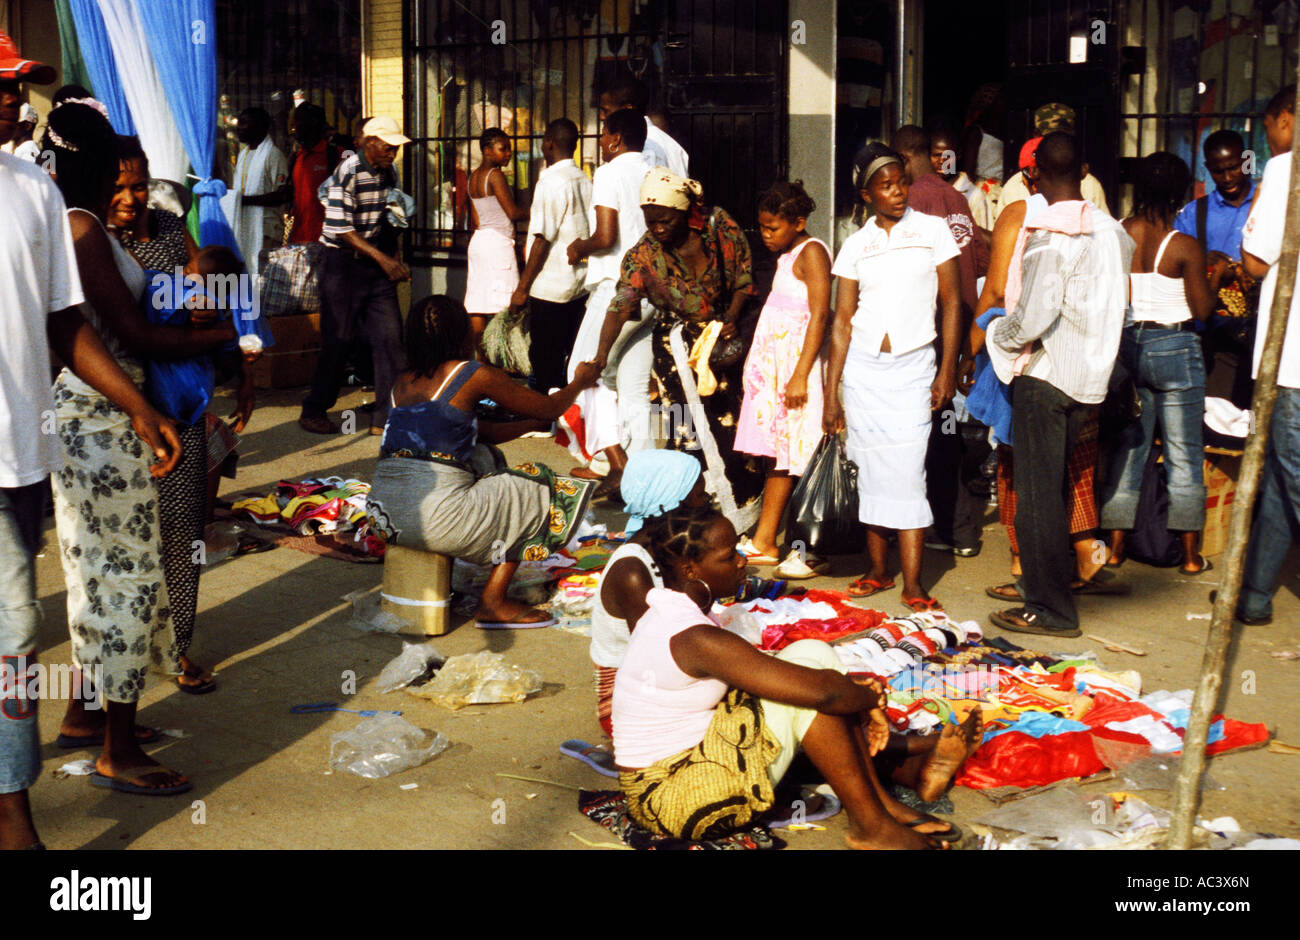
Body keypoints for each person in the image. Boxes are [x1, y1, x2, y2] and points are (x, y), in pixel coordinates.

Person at [0, 35, 179, 850]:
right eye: (3, 85)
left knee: (12, 642)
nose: (14, 99)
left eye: (19, 86)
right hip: (59, 441)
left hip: (19, 454)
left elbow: (67, 323)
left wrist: (139, 405)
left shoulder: (30, 193)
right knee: (103, 583)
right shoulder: (61, 209)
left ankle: (13, 815)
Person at [43, 101, 240, 795]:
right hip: (104, 416)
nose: (132, 183)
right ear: (95, 166)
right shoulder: (82, 230)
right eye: (119, 170)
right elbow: (135, 334)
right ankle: (116, 750)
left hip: (105, 414)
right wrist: (224, 337)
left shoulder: (87, 226)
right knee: (121, 580)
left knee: (102, 577)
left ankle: (83, 718)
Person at [612, 504, 960, 849]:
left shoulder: (671, 609)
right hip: (674, 797)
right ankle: (871, 825)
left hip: (685, 768)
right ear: (690, 569)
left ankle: (878, 806)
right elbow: (824, 694)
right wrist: (871, 698)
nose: (741, 560)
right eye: (728, 555)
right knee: (813, 696)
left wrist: (852, 690)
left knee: (812, 655)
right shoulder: (693, 636)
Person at [109, 135, 254, 695]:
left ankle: (178, 650)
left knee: (182, 528)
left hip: (182, 401)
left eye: (139, 184)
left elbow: (215, 286)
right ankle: (119, 659)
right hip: (123, 404)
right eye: (119, 186)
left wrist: (239, 368)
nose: (131, 197)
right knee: (126, 543)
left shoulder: (170, 231)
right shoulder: (97, 240)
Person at [366, 296, 600, 627]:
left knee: (483, 457)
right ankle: (492, 601)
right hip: (437, 521)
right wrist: (579, 382)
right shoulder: (471, 374)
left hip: (384, 517)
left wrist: (530, 426)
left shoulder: (401, 382)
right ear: (462, 333)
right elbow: (548, 408)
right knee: (539, 484)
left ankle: (456, 568)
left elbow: (479, 432)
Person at [983, 132, 1134, 639]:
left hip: (1046, 379)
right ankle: (1051, 596)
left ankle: (1050, 609)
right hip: (1090, 379)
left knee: (1037, 498)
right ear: (1085, 171)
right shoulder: (1113, 233)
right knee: (1059, 490)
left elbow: (1031, 316)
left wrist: (994, 333)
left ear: (1034, 177)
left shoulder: (1051, 235)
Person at [823, 143, 962, 612]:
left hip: (913, 369)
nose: (899, 192)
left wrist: (946, 369)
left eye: (902, 181)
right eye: (887, 186)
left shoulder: (933, 231)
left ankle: (915, 583)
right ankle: (879, 570)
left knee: (907, 471)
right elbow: (841, 322)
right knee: (870, 469)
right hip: (863, 371)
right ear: (866, 194)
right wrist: (832, 393)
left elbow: (951, 303)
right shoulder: (855, 244)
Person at [590, 168, 765, 531]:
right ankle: (693, 511)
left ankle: (741, 515)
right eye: (650, 220)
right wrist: (600, 355)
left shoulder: (720, 227)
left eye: (665, 220)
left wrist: (730, 318)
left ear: (686, 213)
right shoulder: (644, 255)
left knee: (731, 425)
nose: (657, 228)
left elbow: (744, 278)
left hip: (728, 341)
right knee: (682, 428)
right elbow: (620, 305)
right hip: (676, 353)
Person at [1100, 153, 1217, 575]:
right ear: (1179, 194)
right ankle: (1188, 557)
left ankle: (1114, 548)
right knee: (1184, 452)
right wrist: (1216, 276)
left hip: (1130, 345)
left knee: (1129, 450)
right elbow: (1202, 309)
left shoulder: (1121, 235)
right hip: (1176, 346)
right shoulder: (1184, 245)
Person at [893, 124, 988, 558]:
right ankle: (960, 530)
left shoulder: (913, 201)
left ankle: (936, 525)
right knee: (949, 430)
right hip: (959, 333)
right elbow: (981, 260)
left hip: (926, 336)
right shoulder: (955, 197)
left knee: (924, 435)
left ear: (902, 157)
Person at [583, 449, 710, 767]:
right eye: (698, 493)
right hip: (633, 705)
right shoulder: (632, 572)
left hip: (668, 677)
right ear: (673, 502)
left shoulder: (668, 551)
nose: (707, 498)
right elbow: (660, 653)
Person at [734, 181, 832, 578]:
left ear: (798, 223)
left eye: (773, 227)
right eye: (762, 227)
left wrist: (800, 375)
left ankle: (808, 547)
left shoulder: (812, 253)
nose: (766, 235)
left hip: (798, 373)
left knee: (804, 455)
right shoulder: (788, 254)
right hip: (779, 375)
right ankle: (765, 540)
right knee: (781, 454)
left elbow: (820, 316)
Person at [300, 115, 412, 435]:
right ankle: (314, 409)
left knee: (390, 338)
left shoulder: (390, 172)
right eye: (388, 146)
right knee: (339, 339)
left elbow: (394, 215)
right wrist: (384, 260)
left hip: (375, 263)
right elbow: (341, 230)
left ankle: (385, 416)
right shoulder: (346, 173)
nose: (393, 152)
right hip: (342, 263)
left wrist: (394, 257)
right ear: (368, 142)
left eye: (396, 147)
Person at [564, 109, 651, 491]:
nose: (600, 142)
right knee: (630, 384)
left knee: (584, 374)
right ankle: (642, 473)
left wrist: (578, 246)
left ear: (615, 139)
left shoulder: (610, 172)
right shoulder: (653, 170)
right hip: (653, 290)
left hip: (616, 288)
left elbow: (605, 236)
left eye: (602, 135)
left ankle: (614, 464)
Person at [1234, 123, 1300, 625]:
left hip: (1292, 363)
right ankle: (1254, 594)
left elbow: (1256, 261)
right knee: (1279, 479)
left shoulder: (1284, 169)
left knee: (1290, 478)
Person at [510, 118, 591, 393]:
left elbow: (542, 239)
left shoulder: (551, 181)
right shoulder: (583, 179)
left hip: (551, 287)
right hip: (578, 283)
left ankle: (546, 417)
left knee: (546, 357)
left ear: (549, 143)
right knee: (571, 352)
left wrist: (522, 288)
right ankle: (569, 414)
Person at [465, 127, 525, 355]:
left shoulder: (473, 176)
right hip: (498, 243)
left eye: (509, 148)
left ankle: (480, 358)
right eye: (503, 149)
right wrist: (538, 208)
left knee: (478, 303)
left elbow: (476, 217)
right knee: (505, 303)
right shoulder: (496, 175)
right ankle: (503, 358)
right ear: (487, 150)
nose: (508, 153)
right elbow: (512, 212)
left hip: (479, 240)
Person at [996, 103, 1110, 220]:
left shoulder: (1090, 185)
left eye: (1063, 137)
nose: (1057, 144)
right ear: (1036, 136)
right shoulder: (1015, 186)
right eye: (1050, 138)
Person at [220, 107, 288, 280]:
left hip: (266, 231)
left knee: (263, 280)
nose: (239, 127)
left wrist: (243, 200)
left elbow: (283, 195)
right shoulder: (243, 154)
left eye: (244, 123)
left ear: (260, 127)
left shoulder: (273, 155)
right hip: (245, 228)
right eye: (239, 122)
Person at [599, 75, 688, 177]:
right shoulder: (671, 144)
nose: (602, 117)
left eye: (606, 111)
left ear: (627, 109)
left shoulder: (642, 144)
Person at [282, 102, 342, 245]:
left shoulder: (336, 154)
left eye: (298, 120)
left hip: (327, 242)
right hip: (299, 240)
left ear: (314, 123)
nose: (293, 126)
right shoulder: (296, 157)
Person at [929, 116, 994, 236]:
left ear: (958, 156)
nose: (942, 161)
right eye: (936, 155)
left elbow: (986, 241)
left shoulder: (974, 196)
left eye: (948, 156)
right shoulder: (923, 192)